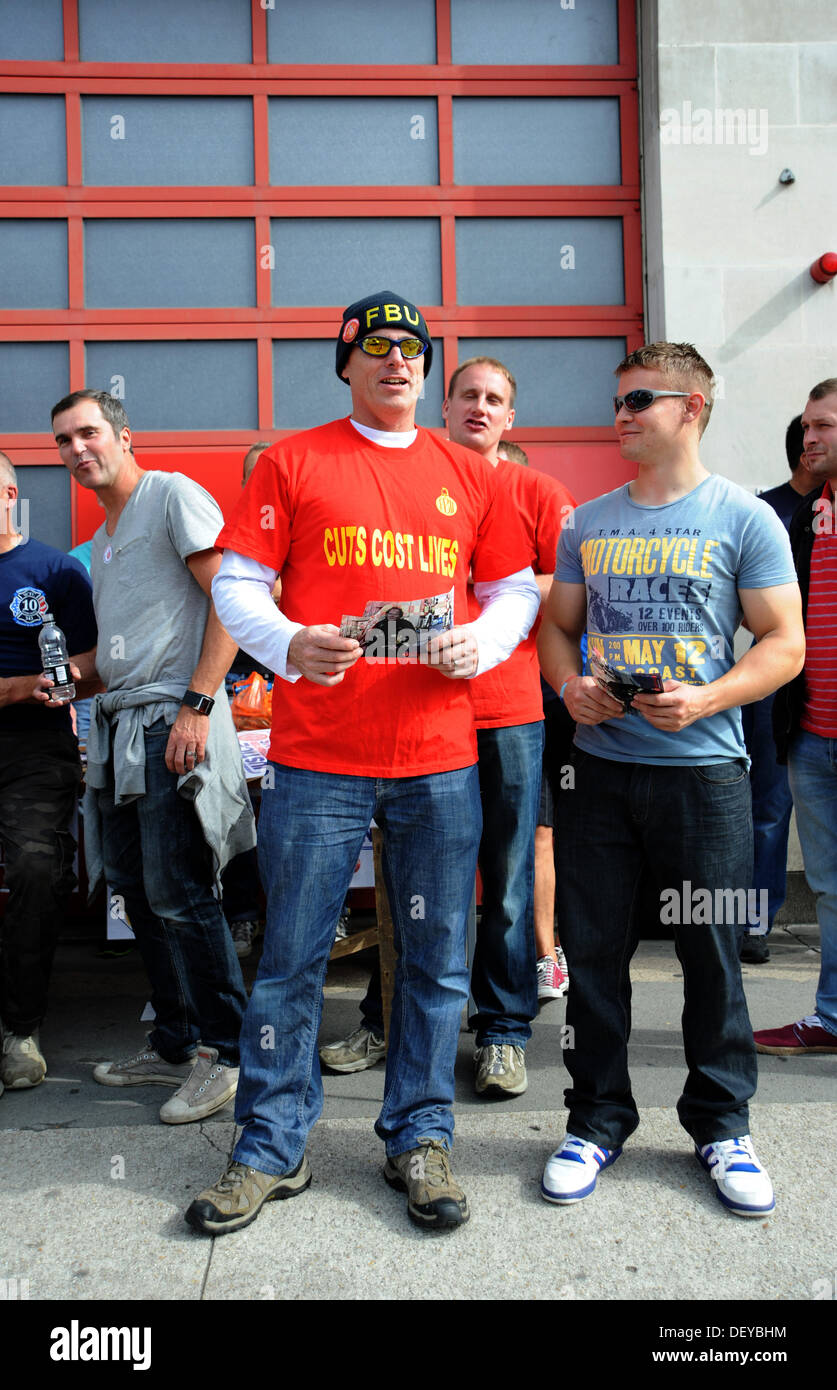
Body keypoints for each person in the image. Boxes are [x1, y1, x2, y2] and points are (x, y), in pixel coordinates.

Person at [187, 290, 539, 1235]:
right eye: (377, 348)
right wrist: (289, 643)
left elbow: (511, 590)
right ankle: (269, 1146)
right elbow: (235, 582)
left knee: (433, 959)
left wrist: (484, 642)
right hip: (317, 761)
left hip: (436, 761)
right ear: (345, 363)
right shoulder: (293, 460)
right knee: (292, 959)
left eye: (413, 349)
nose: (398, 361)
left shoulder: (470, 473)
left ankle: (418, 1139)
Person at [537, 342, 804, 1217]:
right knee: (595, 955)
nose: (620, 413)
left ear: (691, 408)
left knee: (713, 957)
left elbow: (782, 645)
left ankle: (722, 1126)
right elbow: (556, 632)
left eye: (638, 399)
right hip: (601, 779)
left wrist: (706, 700)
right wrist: (569, 686)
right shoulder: (588, 520)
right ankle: (594, 1120)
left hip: (705, 779)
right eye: (616, 398)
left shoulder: (744, 519)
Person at [318, 361, 575, 1093]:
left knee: (508, 881)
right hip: (415, 716)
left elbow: (570, 593)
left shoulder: (536, 493)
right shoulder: (408, 476)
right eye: (468, 394)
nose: (480, 407)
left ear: (509, 418)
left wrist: (494, 601)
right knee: (412, 887)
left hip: (506, 716)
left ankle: (501, 1031)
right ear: (446, 402)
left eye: (496, 398)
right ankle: (387, 1017)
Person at [50, 390, 255, 1123]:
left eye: (89, 433)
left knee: (181, 890)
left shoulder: (171, 495)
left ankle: (228, 1053)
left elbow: (230, 597)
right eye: (64, 441)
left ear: (125, 435)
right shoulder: (102, 542)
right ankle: (174, 1039)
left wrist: (199, 706)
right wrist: (69, 685)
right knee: (136, 890)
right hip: (117, 729)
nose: (77, 450)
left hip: (173, 718)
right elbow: (112, 658)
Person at [0, 452, 98, 1095]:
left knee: (37, 869)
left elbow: (93, 664)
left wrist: (53, 682)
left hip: (33, 752)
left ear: (10, 493)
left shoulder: (56, 570)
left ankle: (18, 1030)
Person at [756, 378, 837, 1056]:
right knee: (830, 887)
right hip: (810, 731)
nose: (808, 438)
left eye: (824, 427)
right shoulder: (807, 515)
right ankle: (832, 1019)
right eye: (807, 426)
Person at [740, 415, 819, 963]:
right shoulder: (765, 511)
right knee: (767, 804)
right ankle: (754, 921)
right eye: (811, 432)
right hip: (779, 681)